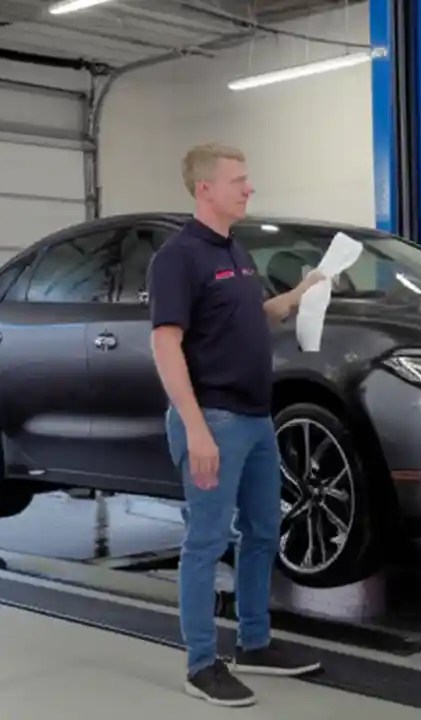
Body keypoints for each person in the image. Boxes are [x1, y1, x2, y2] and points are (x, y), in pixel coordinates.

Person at [148, 142, 325, 707]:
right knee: (205, 542)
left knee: (264, 533)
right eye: (239, 181)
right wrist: (196, 429)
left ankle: (255, 642)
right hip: (215, 420)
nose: (249, 189)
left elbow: (255, 314)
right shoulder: (179, 258)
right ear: (206, 189)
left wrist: (301, 294)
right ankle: (201, 663)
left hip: (256, 418)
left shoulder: (237, 252)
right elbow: (165, 345)